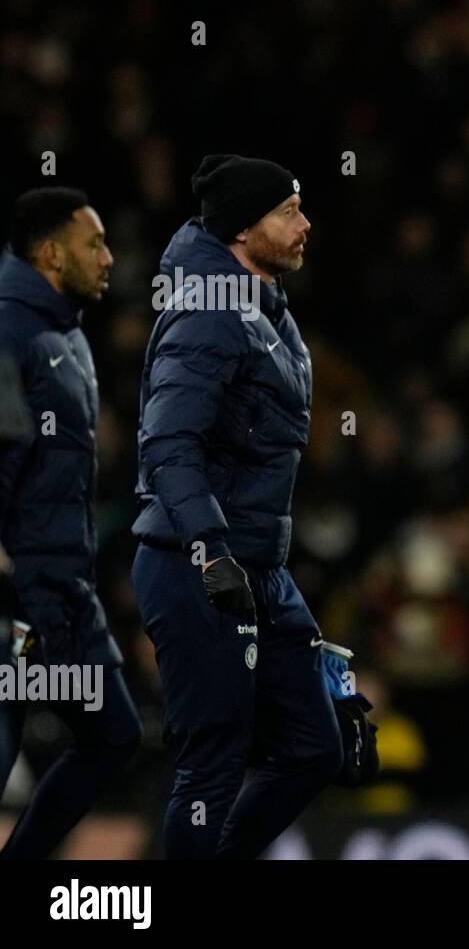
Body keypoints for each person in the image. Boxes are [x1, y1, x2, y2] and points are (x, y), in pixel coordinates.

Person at [130, 155, 341, 858]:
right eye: (289, 211)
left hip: (256, 567)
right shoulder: (209, 312)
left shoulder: (262, 306)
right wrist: (211, 548)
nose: (305, 223)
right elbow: (168, 444)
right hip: (199, 564)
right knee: (212, 762)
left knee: (318, 747)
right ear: (243, 230)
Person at [0, 187, 142, 858]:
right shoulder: (8, 329)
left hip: (64, 593)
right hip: (14, 594)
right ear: (51, 253)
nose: (109, 257)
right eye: (94, 244)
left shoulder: (68, 335)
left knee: (114, 734)